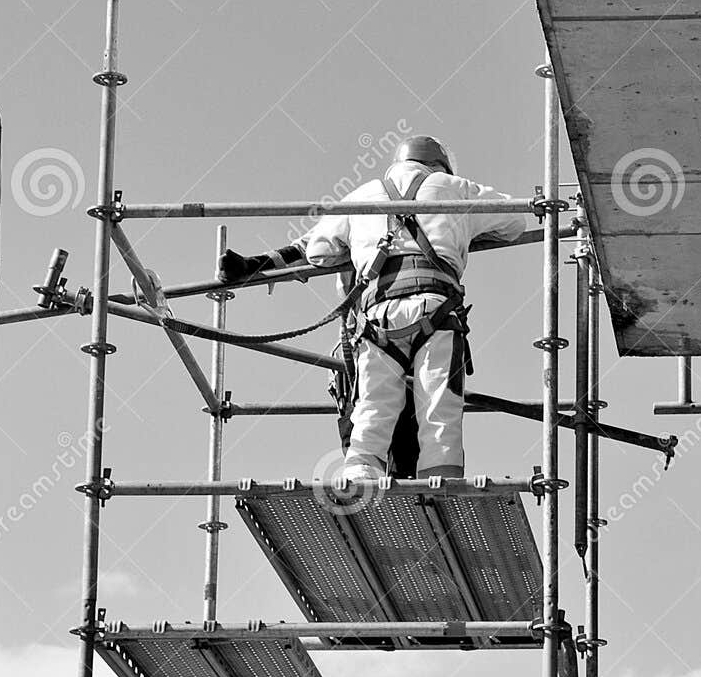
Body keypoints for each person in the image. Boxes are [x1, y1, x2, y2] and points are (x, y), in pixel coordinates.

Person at [218, 134, 531, 480]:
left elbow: (319, 251)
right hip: (436, 310)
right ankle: (442, 485)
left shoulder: (363, 194)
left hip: (377, 317)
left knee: (374, 408)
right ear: (439, 165)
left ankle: (360, 475)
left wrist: (359, 245)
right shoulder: (455, 187)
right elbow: (515, 221)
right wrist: (462, 231)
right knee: (439, 411)